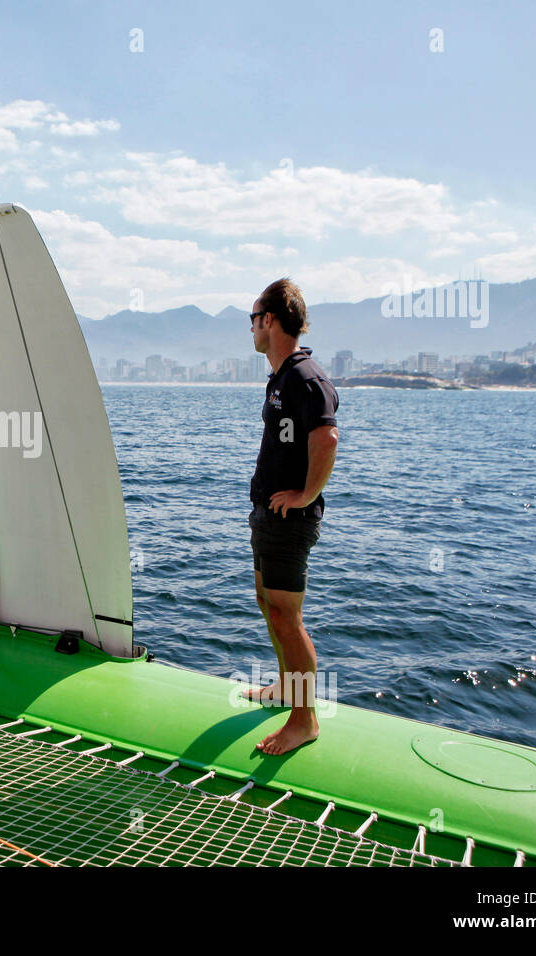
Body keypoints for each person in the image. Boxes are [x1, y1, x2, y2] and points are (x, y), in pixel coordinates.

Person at [244, 278, 339, 755]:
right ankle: (286, 689)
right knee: (269, 604)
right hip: (267, 513)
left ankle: (305, 720)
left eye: (255, 318)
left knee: (286, 615)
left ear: (273, 320)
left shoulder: (306, 377)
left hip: (288, 519)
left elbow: (327, 439)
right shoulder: (282, 376)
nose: (253, 328)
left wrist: (305, 495)